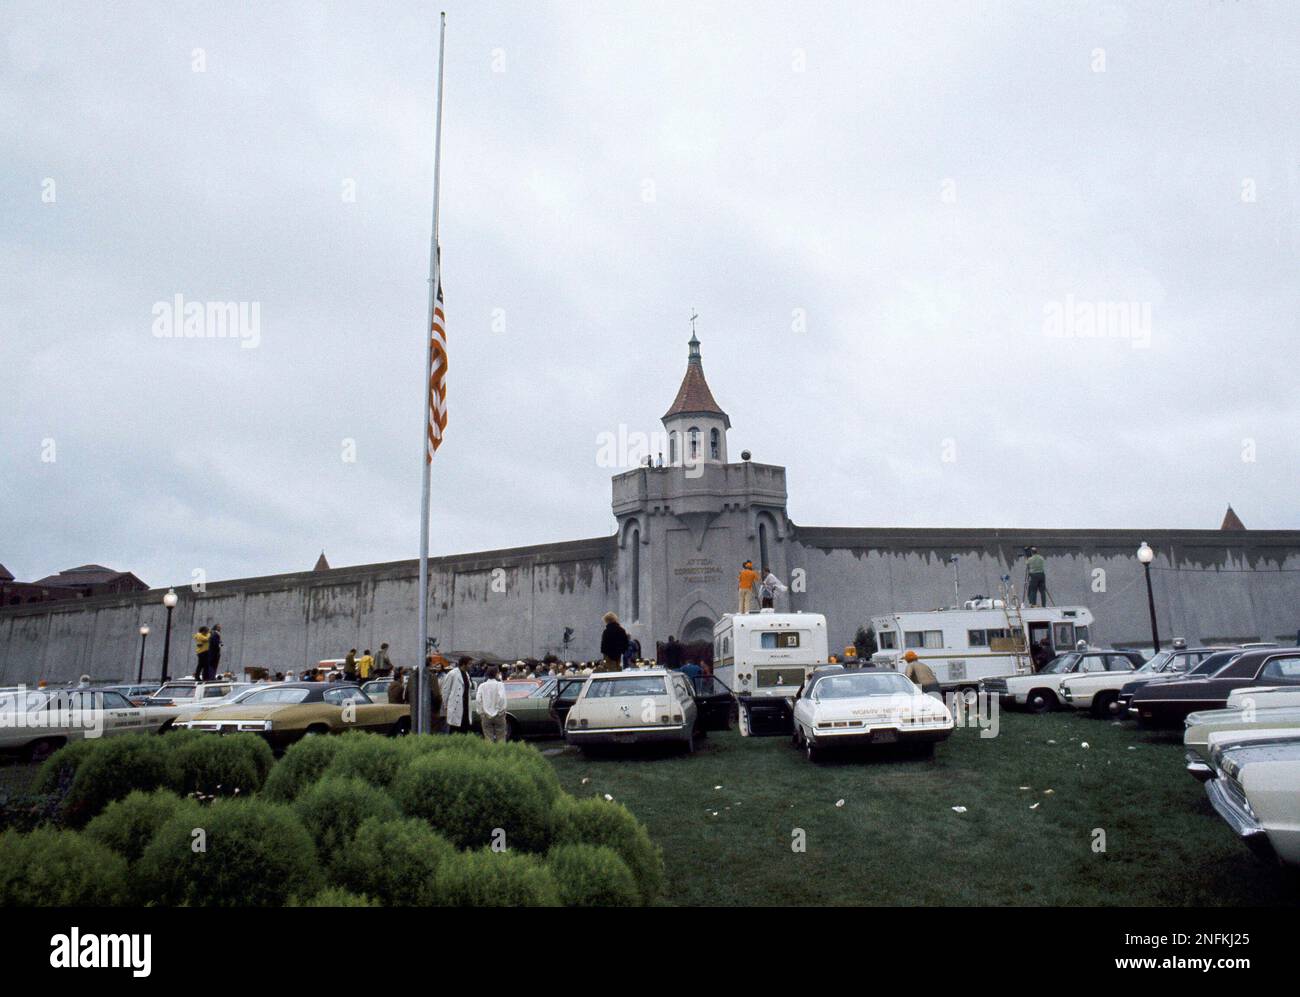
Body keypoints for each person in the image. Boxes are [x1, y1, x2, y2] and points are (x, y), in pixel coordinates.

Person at [476, 664, 509, 743]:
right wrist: (500, 710)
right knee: (501, 737)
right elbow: (502, 698)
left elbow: (478, 700)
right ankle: (500, 754)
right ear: (496, 674)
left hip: (485, 715)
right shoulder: (500, 685)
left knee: (488, 738)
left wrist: (481, 712)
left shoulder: (482, 686)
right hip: (499, 715)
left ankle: (489, 753)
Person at [441, 656, 473, 734]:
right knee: (455, 729)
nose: (471, 666)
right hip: (455, 706)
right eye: (469, 664)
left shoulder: (467, 674)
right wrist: (446, 705)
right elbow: (445, 690)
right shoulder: (452, 674)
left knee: (465, 728)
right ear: (463, 664)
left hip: (465, 706)